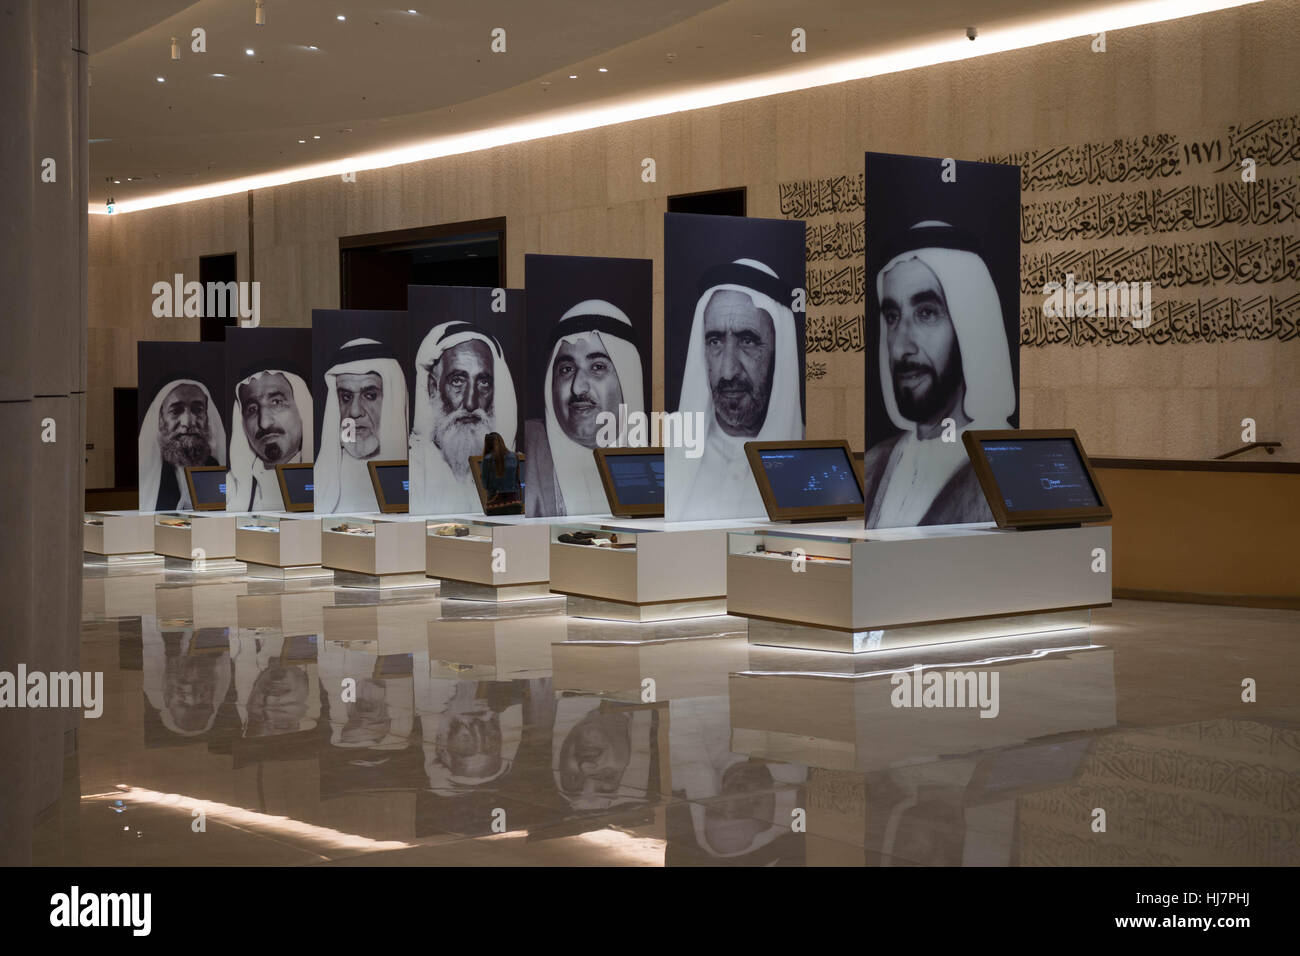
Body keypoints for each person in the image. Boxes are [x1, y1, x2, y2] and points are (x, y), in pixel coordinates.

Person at [863, 221, 1015, 528]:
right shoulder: (875, 461)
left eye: (926, 313)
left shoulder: (1007, 466)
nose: (900, 348)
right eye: (892, 317)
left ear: (967, 326)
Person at [667, 258, 804, 520]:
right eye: (715, 341)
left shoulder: (807, 462)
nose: (728, 371)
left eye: (748, 340)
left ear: (779, 350)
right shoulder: (668, 453)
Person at [524, 300, 645, 516]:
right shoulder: (525, 450)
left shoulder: (663, 455)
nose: (578, 386)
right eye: (567, 369)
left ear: (627, 379)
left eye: (597, 367)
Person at [408, 321, 517, 515]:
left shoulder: (512, 463)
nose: (470, 403)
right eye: (457, 381)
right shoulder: (413, 467)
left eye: (483, 382)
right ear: (433, 388)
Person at [315, 338, 408, 514]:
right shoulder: (323, 475)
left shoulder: (419, 470)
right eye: (346, 397)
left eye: (370, 395)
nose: (355, 411)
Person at [226, 368, 313, 512]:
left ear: (302, 409)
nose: (264, 423)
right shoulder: (230, 489)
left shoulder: (328, 482)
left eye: (276, 402)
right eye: (252, 409)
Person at [138, 378, 227, 511]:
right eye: (175, 411)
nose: (188, 422)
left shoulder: (215, 466)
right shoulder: (152, 471)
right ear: (161, 419)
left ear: (207, 417)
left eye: (197, 410)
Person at [479, 431, 523, 515]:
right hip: (514, 502)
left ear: (487, 444)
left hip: (495, 503)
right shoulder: (514, 456)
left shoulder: (487, 459)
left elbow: (485, 483)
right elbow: (517, 480)